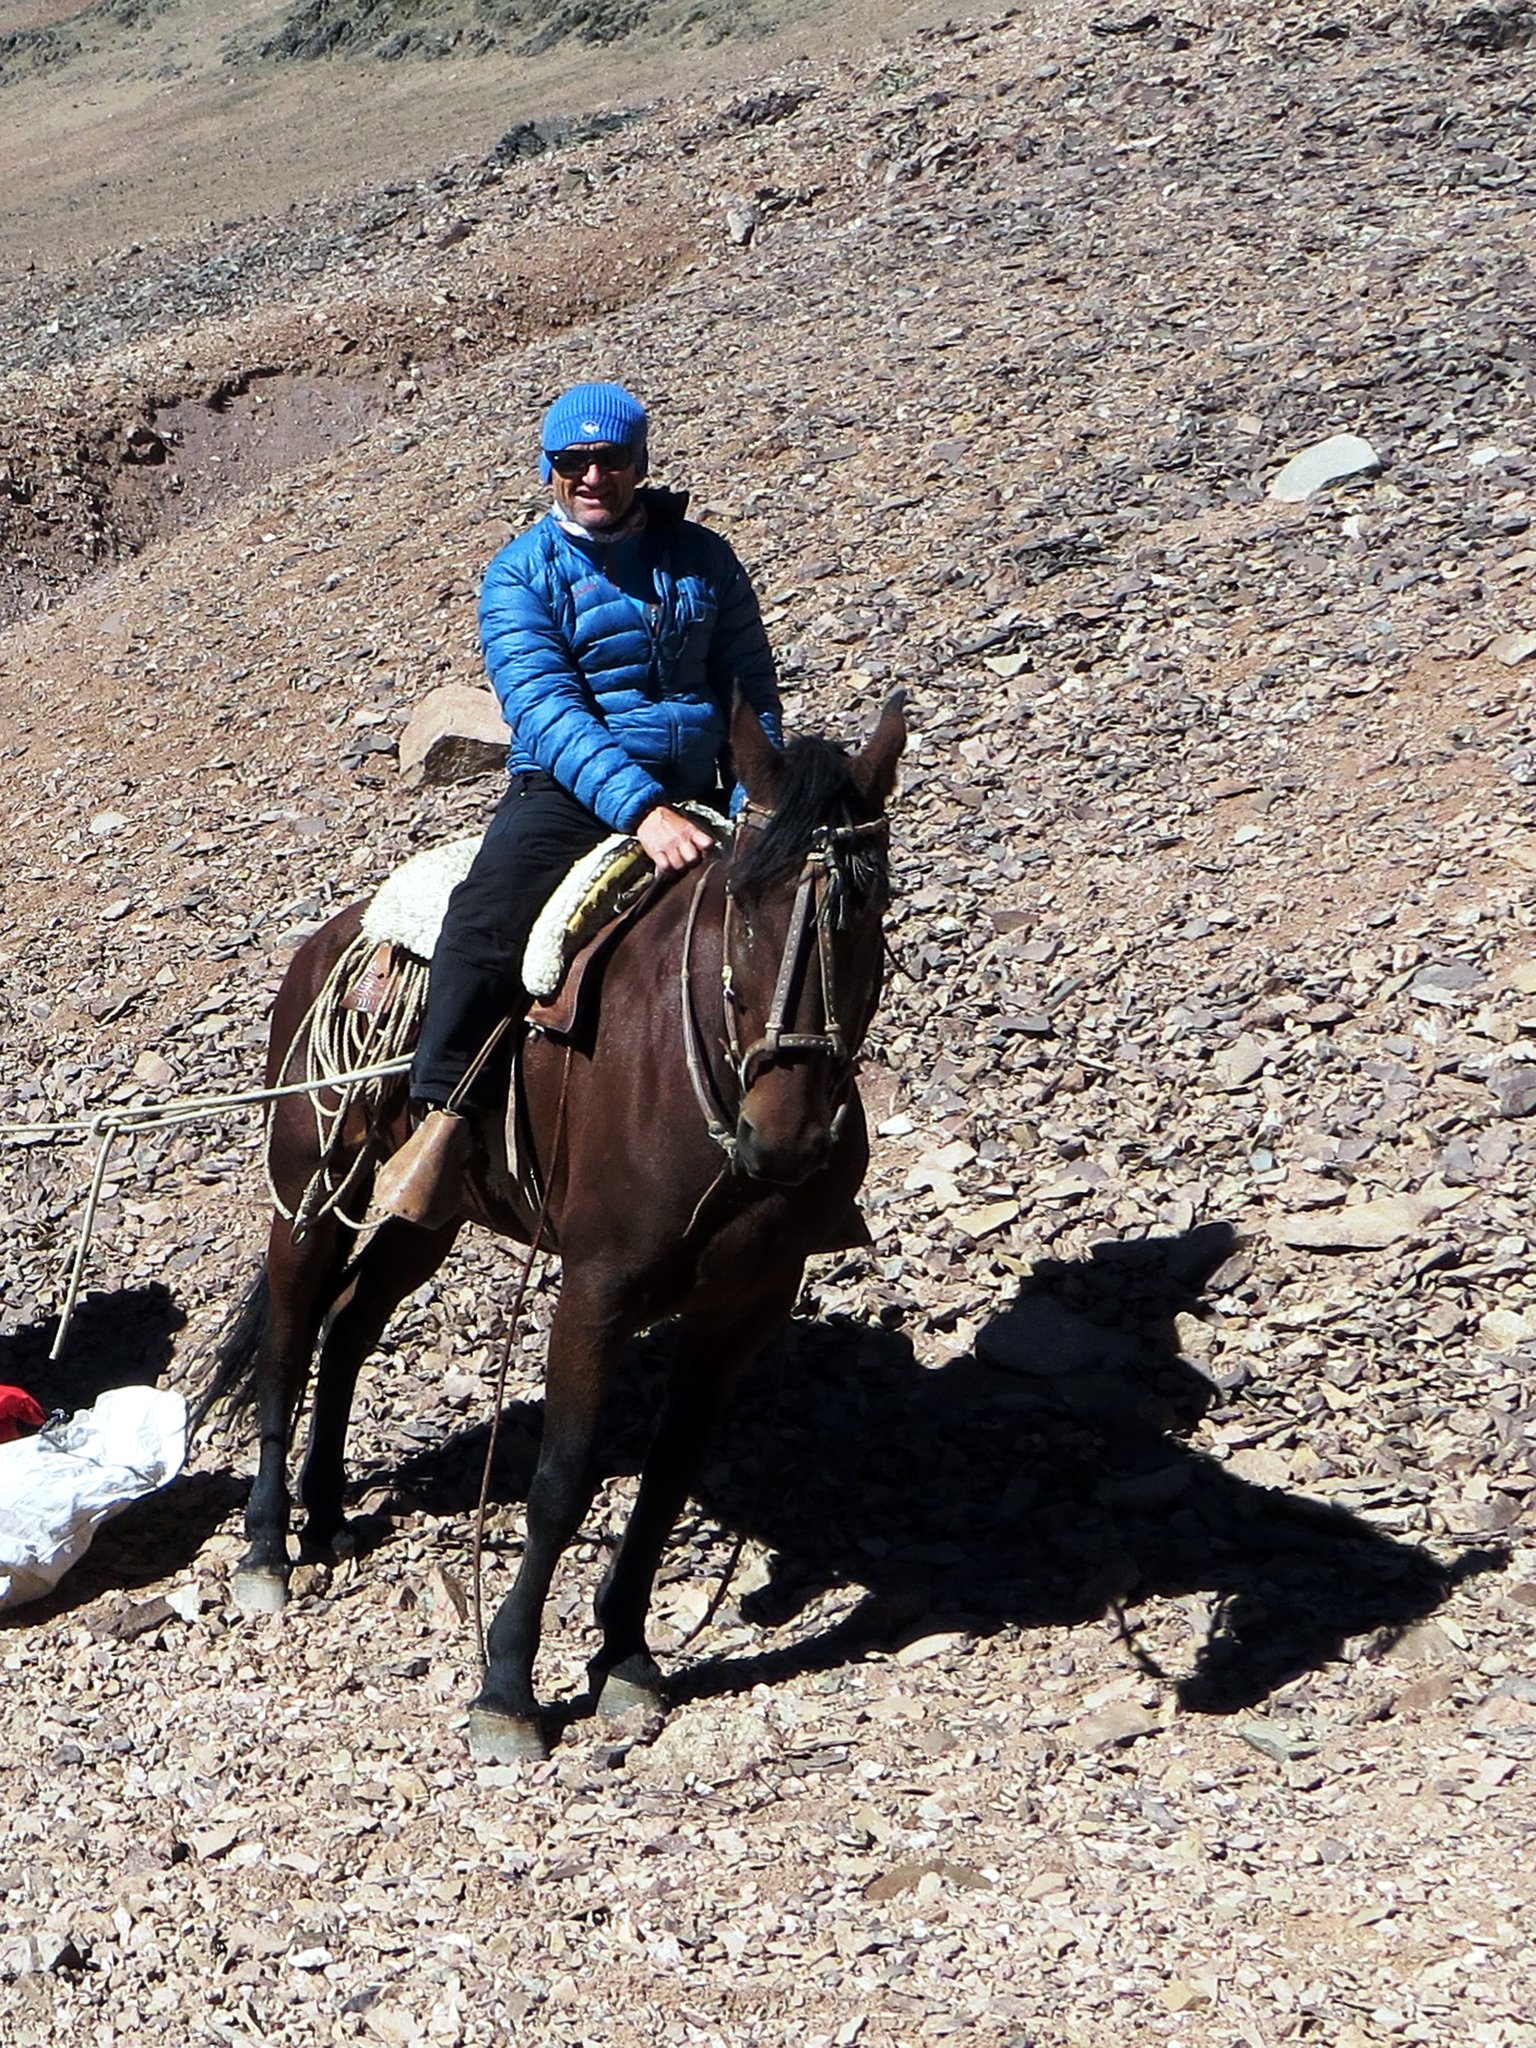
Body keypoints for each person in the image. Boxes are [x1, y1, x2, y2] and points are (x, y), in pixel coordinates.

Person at [374, 380, 783, 1227]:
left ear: (640, 464)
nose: (593, 476)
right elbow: (545, 709)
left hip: (700, 784)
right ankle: (440, 1123)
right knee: (484, 921)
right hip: (567, 792)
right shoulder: (522, 573)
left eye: (612, 460)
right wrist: (640, 809)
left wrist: (757, 797)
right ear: (549, 468)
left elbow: (750, 687)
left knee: (806, 927)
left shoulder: (702, 558)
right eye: (574, 462)